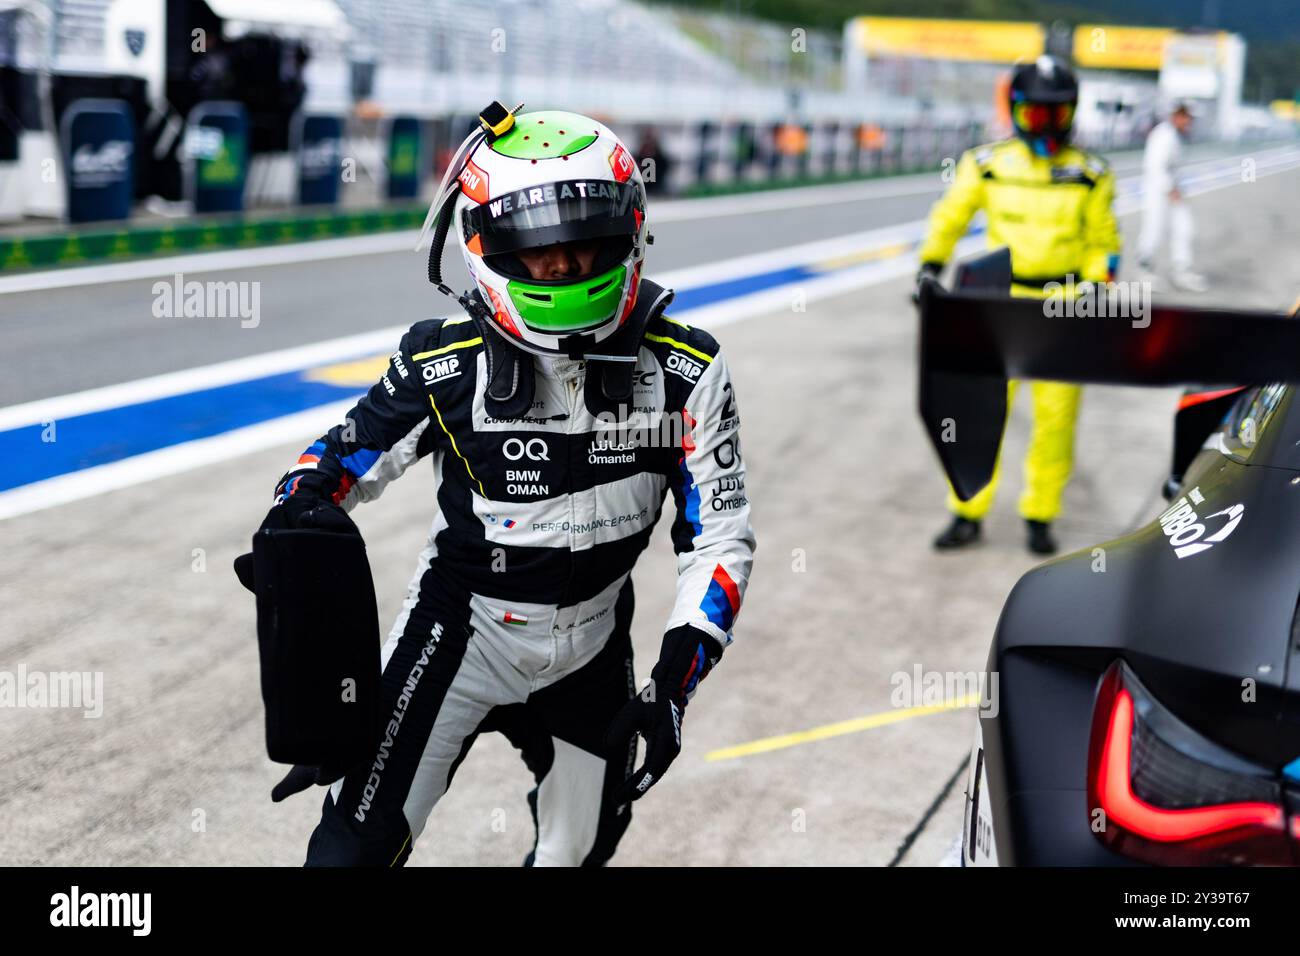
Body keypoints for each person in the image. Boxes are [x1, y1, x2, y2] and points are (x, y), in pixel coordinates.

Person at [258, 107, 755, 865]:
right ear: (483, 249)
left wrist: (672, 689)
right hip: (462, 630)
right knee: (348, 853)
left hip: (594, 645)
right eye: (537, 250)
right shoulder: (443, 361)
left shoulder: (689, 372)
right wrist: (319, 684)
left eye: (584, 242)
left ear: (632, 233)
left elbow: (719, 536)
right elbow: (326, 472)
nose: (562, 266)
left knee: (581, 849)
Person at [914, 56, 1121, 555]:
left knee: (1055, 421)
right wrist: (930, 266)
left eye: (1056, 114)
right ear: (1015, 112)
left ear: (1071, 113)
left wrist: (1098, 284)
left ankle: (1040, 514)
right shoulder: (986, 164)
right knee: (977, 415)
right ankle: (967, 511)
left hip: (1063, 307)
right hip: (997, 306)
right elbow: (951, 216)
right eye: (1035, 115)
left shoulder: (1091, 173)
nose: (1046, 125)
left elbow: (1104, 242)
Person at [1137, 103, 1207, 292]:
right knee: (1154, 229)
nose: (1189, 122)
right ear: (1177, 116)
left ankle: (1182, 270)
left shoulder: (1175, 135)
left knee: (1184, 228)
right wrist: (1170, 189)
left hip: (1170, 188)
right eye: (1187, 117)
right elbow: (1154, 166)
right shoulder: (1163, 135)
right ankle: (1145, 272)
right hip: (1158, 190)